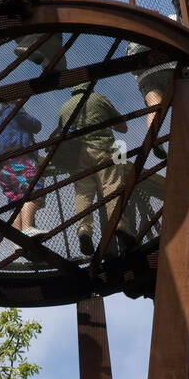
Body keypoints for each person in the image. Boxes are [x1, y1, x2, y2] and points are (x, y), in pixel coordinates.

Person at [56, 84, 134, 257]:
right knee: (111, 186)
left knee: (83, 193)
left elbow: (62, 133)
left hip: (77, 156)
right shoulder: (98, 99)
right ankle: (119, 225)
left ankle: (84, 229)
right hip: (103, 148)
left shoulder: (64, 107)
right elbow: (122, 127)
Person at [0, 106, 45, 235]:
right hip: (19, 160)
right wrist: (21, 109)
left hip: (2, 169)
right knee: (33, 191)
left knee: (15, 201)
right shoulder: (15, 110)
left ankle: (17, 237)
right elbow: (36, 126)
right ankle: (27, 228)